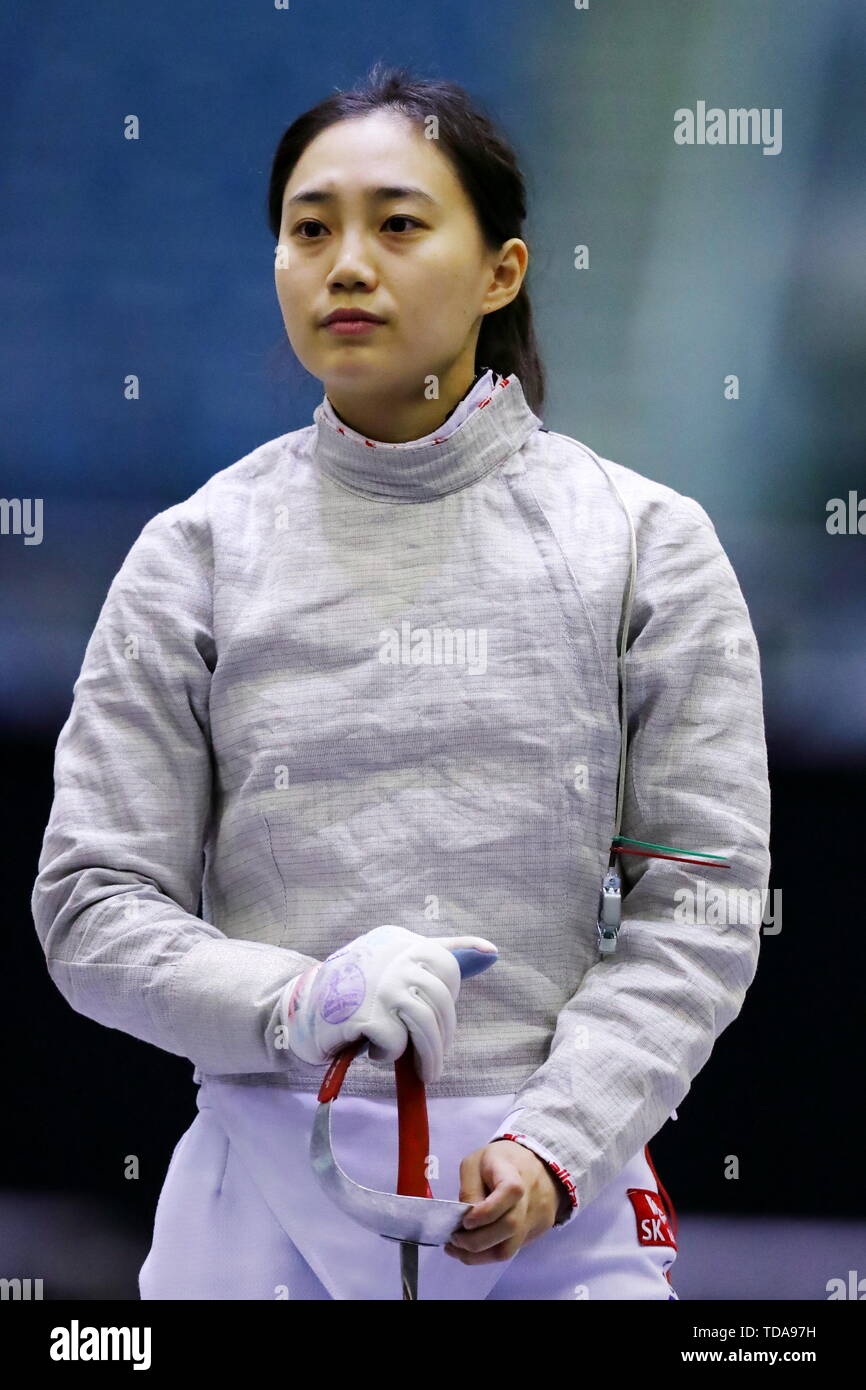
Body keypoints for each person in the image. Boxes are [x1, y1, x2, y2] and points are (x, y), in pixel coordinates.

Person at [31, 62, 771, 1301]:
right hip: (256, 1200)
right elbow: (92, 904)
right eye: (310, 228)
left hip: (555, 1208)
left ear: (501, 272)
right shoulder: (197, 552)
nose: (347, 263)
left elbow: (697, 901)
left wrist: (555, 1139)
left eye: (398, 224)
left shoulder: (644, 542)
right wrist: (295, 1000)